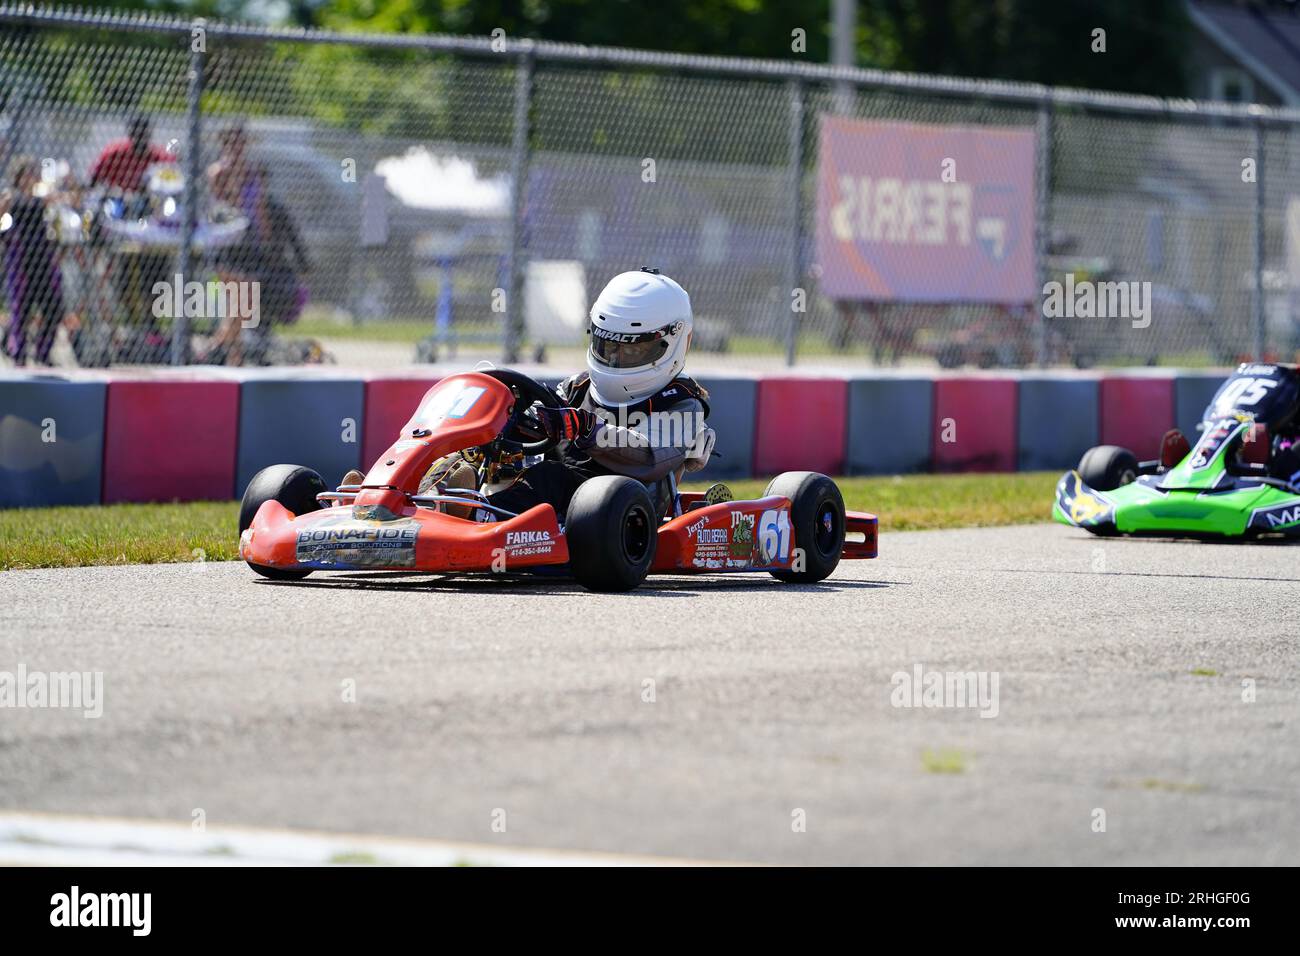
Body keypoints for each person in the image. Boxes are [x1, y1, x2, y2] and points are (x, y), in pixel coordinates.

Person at [342, 269, 717, 519]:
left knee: (552, 478)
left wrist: (582, 427)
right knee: (477, 455)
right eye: (609, 347)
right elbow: (546, 418)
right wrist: (517, 421)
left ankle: (475, 514)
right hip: (558, 494)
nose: (617, 359)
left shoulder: (681, 400)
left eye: (632, 349)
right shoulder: (578, 387)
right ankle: (389, 499)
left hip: (622, 506)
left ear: (673, 342)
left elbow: (651, 456)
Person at [1, 157, 65, 365]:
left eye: (34, 173)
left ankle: (43, 352)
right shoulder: (13, 197)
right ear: (19, 176)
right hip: (21, 257)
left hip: (42, 256)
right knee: (22, 307)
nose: (32, 177)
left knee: (54, 306)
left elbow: (58, 200)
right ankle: (18, 352)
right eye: (28, 173)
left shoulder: (40, 198)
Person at [89, 115, 170, 193]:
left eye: (143, 133)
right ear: (131, 133)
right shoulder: (115, 152)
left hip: (146, 200)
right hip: (117, 197)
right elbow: (94, 177)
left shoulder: (157, 155)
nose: (140, 137)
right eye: (137, 133)